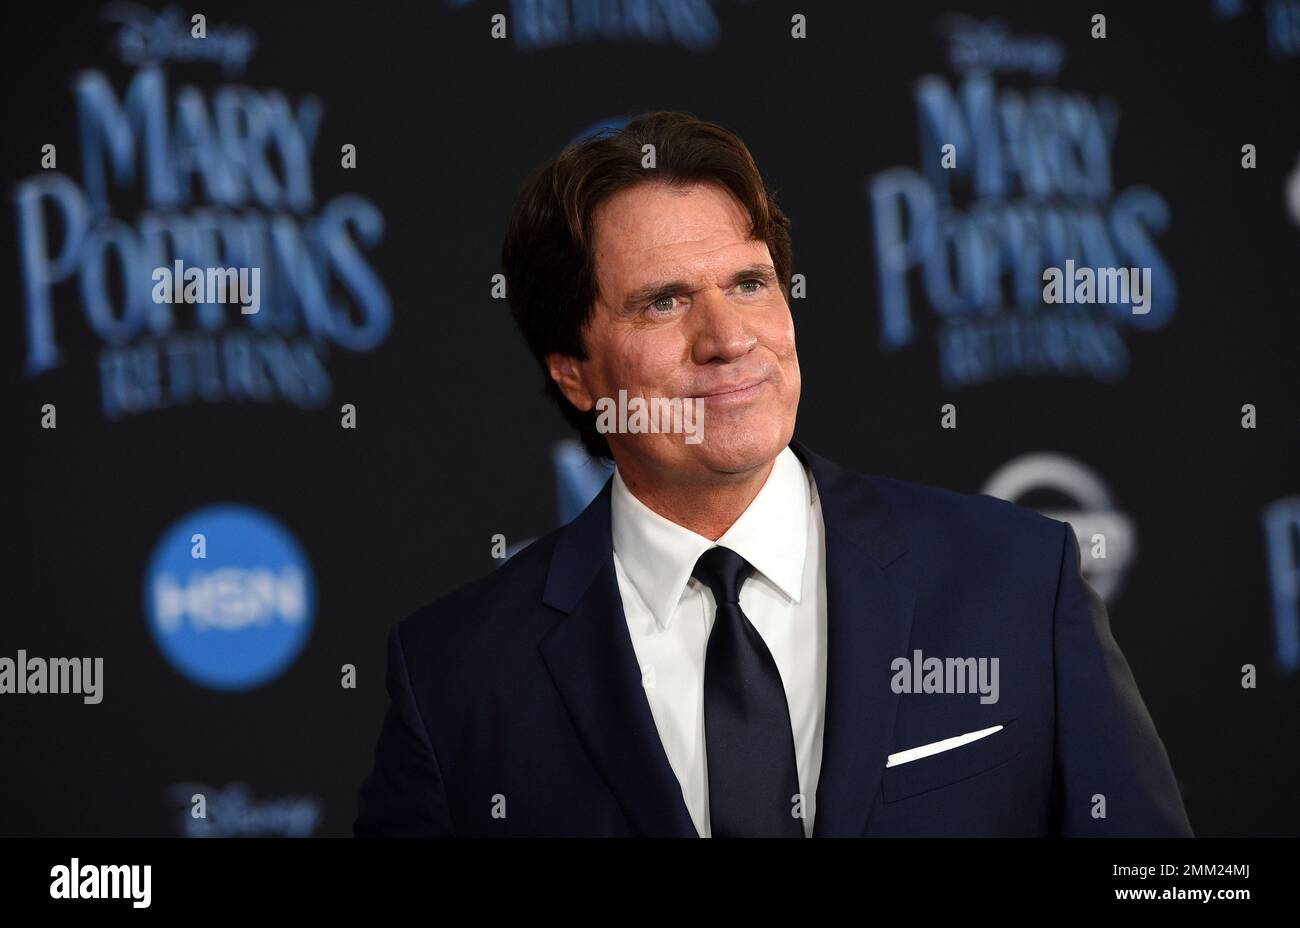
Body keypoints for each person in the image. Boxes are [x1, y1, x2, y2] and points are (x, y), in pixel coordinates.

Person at [354, 111, 1193, 837]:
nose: (728, 338)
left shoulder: (1016, 581)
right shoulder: (454, 675)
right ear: (574, 369)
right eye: (665, 301)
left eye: (750, 283)